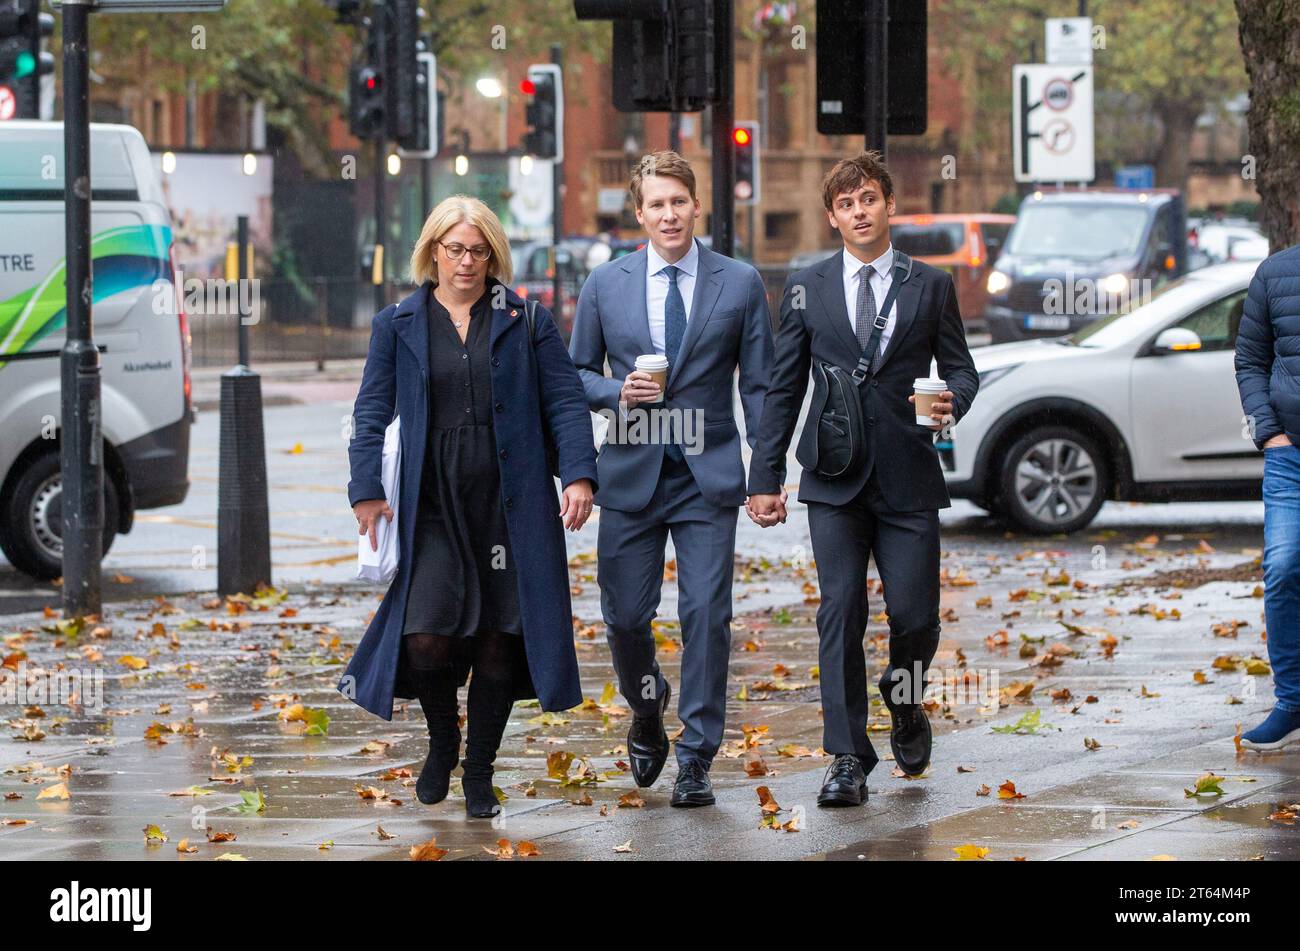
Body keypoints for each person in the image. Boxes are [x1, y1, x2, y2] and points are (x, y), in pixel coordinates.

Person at [340, 195, 598, 818]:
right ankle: (443, 739)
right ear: (432, 251)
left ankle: (479, 771)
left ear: (492, 255)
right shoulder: (397, 323)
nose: (466, 261)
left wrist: (580, 477)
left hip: (512, 503)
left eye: (478, 250)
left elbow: (564, 402)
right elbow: (371, 410)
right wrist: (366, 489)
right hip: (431, 502)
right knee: (426, 635)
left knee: (499, 641)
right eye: (454, 248)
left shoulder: (526, 319)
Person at [747, 152, 978, 806]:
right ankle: (847, 755)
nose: (859, 211)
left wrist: (948, 402)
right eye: (846, 204)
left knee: (916, 617)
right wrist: (765, 477)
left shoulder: (928, 284)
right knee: (839, 611)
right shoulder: (805, 287)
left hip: (908, 476)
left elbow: (962, 369)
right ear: (832, 217)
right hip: (834, 477)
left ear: (887, 205)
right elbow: (783, 384)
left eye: (868, 198)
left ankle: (904, 698)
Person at [569, 150, 778, 806]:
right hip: (630, 466)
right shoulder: (606, 283)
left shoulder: (738, 282)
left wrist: (765, 476)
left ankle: (696, 754)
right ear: (639, 213)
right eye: (656, 204)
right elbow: (570, 375)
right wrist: (612, 390)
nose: (669, 214)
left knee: (706, 612)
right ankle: (646, 704)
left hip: (706, 473)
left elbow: (764, 385)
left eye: (678, 201)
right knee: (626, 616)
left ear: (696, 206)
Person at [1235, 241, 1300, 751]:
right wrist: (1269, 433)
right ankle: (1292, 702)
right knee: (1282, 567)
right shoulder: (1276, 272)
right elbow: (1249, 360)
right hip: (1290, 458)